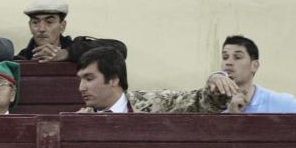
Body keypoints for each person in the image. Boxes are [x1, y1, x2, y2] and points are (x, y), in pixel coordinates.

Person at [73, 45, 227, 114]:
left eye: (89, 78)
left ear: (114, 79)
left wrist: (216, 79)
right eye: (81, 80)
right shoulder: (82, 118)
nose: (81, 88)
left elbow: (201, 102)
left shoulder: (154, 103)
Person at [212, 35, 296, 114]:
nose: (228, 62)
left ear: (254, 66)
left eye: (237, 57)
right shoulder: (212, 105)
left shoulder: (279, 102)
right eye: (225, 57)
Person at [14, 0, 118, 66]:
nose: (41, 29)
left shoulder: (77, 47)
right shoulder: (21, 58)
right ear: (29, 26)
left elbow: (118, 49)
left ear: (62, 26)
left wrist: (66, 54)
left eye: (49, 22)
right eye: (35, 23)